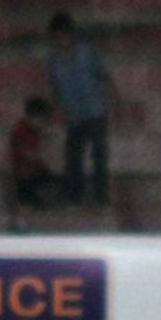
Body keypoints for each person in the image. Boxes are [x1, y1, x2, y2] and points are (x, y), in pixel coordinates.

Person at [46, 11, 117, 206]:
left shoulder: (87, 53)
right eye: (57, 36)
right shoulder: (53, 60)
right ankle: (75, 195)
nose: (61, 40)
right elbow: (54, 89)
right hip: (74, 116)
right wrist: (55, 111)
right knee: (73, 157)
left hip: (95, 111)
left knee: (99, 155)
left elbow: (105, 77)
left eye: (64, 35)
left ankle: (101, 195)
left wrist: (116, 103)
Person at [9, 95, 61, 212]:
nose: (43, 125)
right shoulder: (20, 131)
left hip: (34, 172)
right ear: (31, 117)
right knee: (32, 201)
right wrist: (39, 158)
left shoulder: (33, 132)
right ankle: (25, 202)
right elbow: (26, 154)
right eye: (41, 121)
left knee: (56, 181)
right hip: (24, 177)